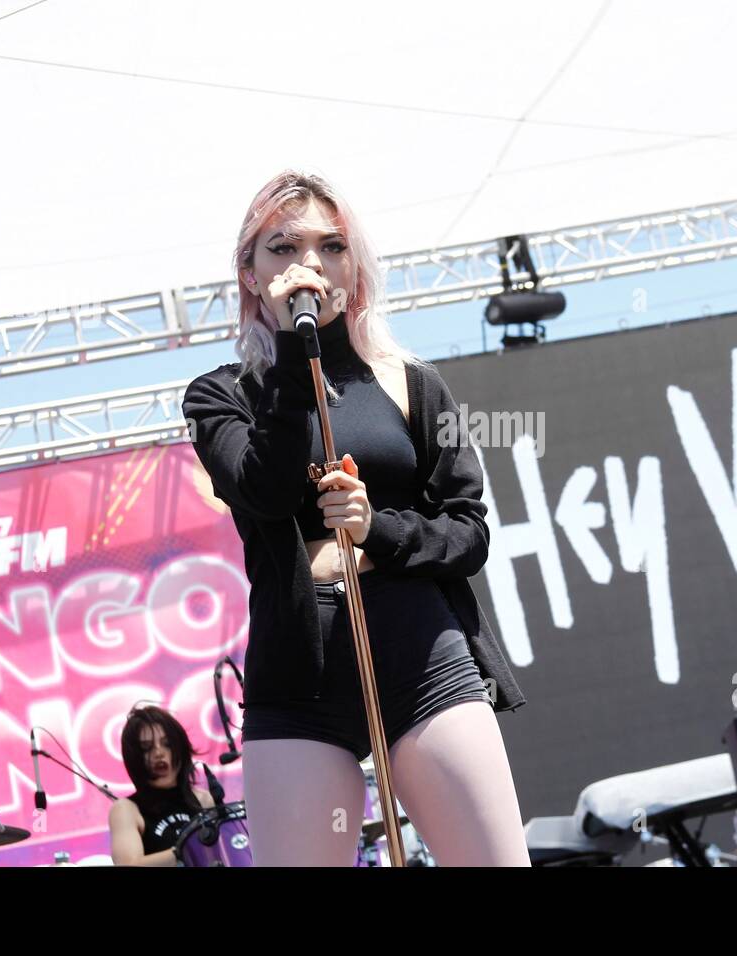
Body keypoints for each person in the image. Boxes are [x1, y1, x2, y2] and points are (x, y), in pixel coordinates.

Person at [182, 169, 530, 866]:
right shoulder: (222, 396)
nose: (307, 263)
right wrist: (289, 356)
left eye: (330, 245)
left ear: (354, 267)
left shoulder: (410, 381)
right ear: (250, 275)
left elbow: (469, 531)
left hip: (421, 655)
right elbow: (266, 490)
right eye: (281, 247)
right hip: (298, 674)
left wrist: (378, 528)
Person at [108, 705, 214, 866]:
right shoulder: (126, 809)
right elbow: (128, 864)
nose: (159, 752)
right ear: (134, 756)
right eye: (146, 748)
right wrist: (188, 848)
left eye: (167, 744)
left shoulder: (203, 798)